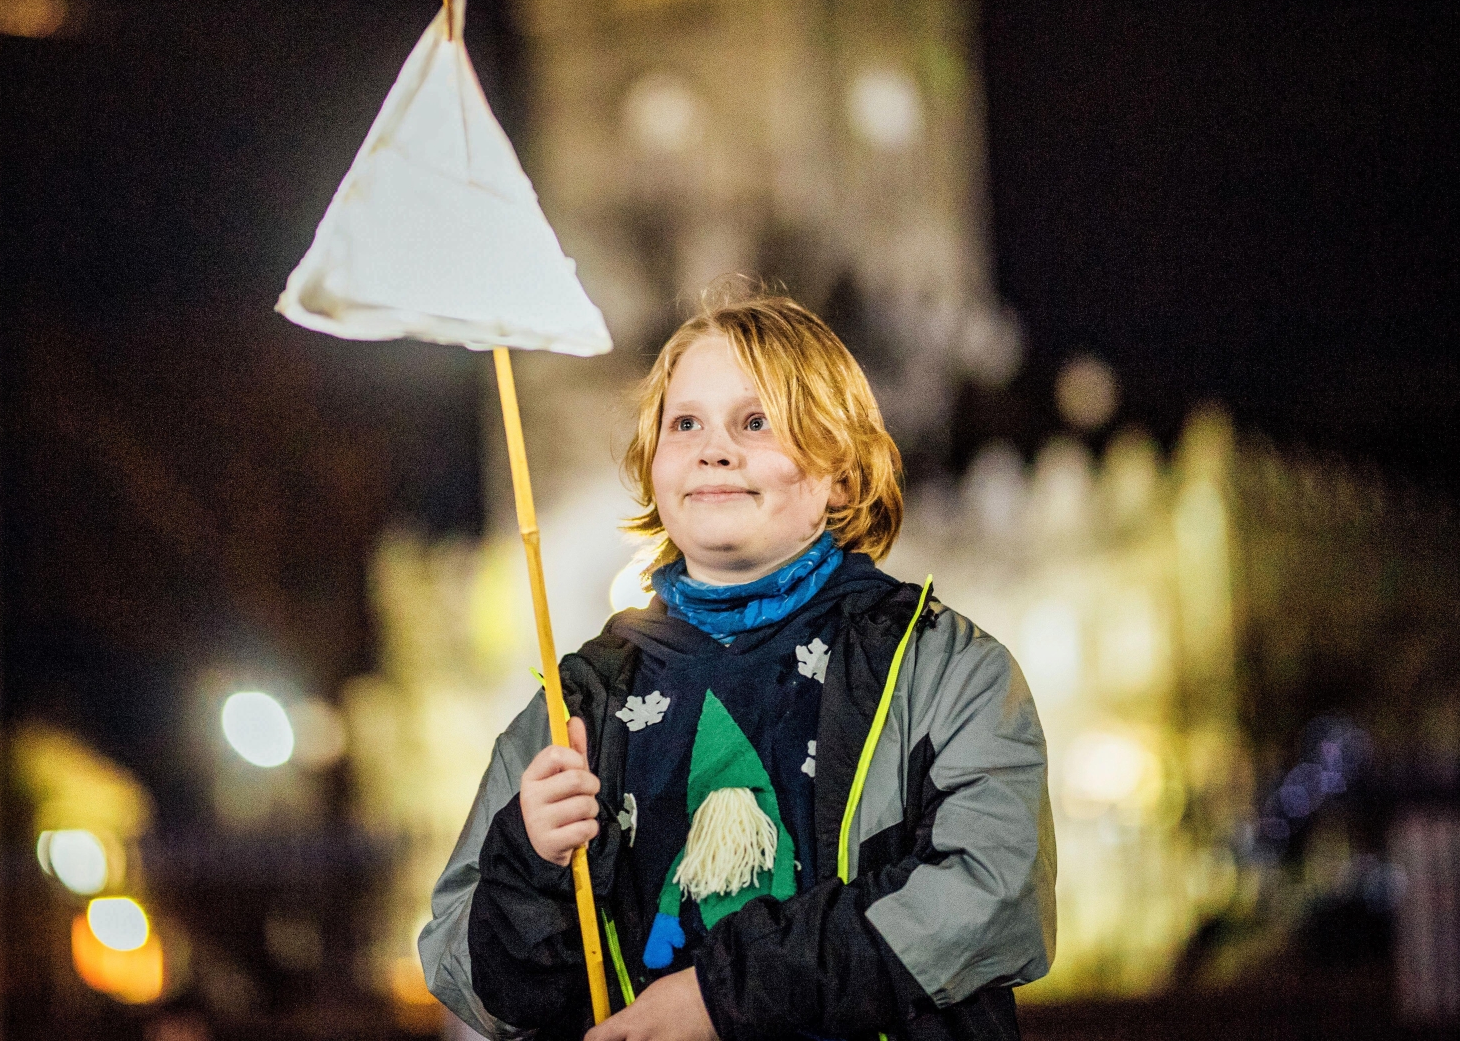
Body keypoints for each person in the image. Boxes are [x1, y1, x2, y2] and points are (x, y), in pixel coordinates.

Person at [421, 290, 1055, 1041]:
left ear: (840, 476)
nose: (712, 448)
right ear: (653, 466)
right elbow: (464, 971)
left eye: (755, 423)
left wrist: (720, 1001)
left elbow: (992, 893)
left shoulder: (944, 668)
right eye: (684, 423)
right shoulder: (581, 703)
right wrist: (529, 861)